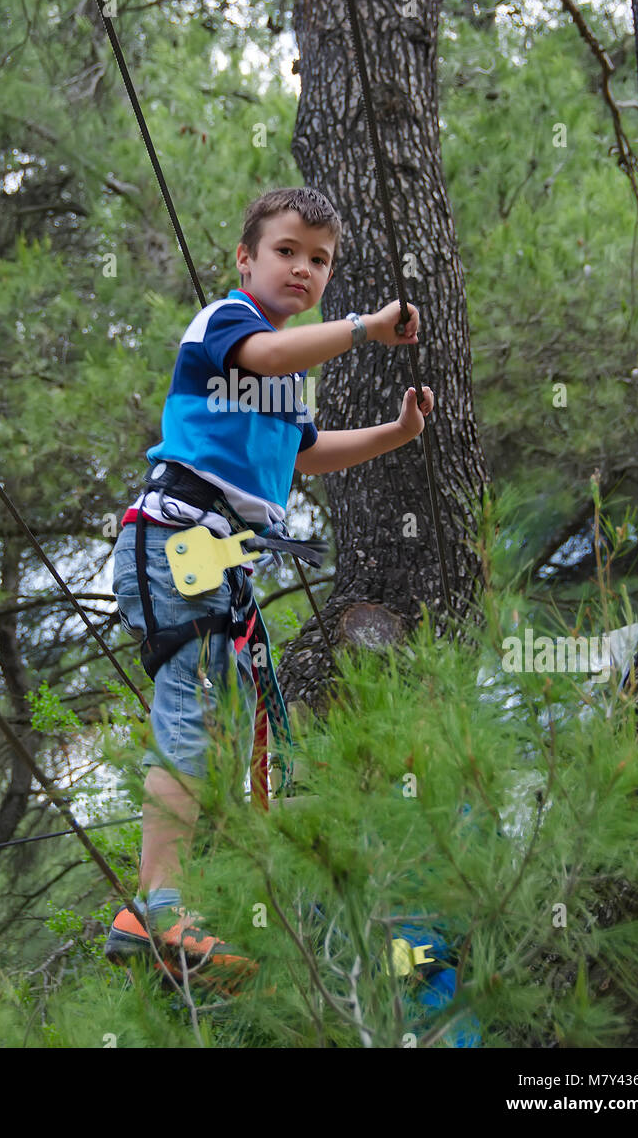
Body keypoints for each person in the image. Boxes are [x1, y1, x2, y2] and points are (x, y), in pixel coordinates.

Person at [105, 186, 434, 970]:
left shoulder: (285, 379)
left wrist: (397, 432)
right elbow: (265, 353)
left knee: (233, 737)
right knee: (187, 715)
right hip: (173, 538)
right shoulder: (226, 325)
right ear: (246, 259)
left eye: (319, 260)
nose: (303, 268)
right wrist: (362, 328)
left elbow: (305, 450)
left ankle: (193, 910)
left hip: (216, 560)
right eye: (286, 251)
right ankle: (156, 910)